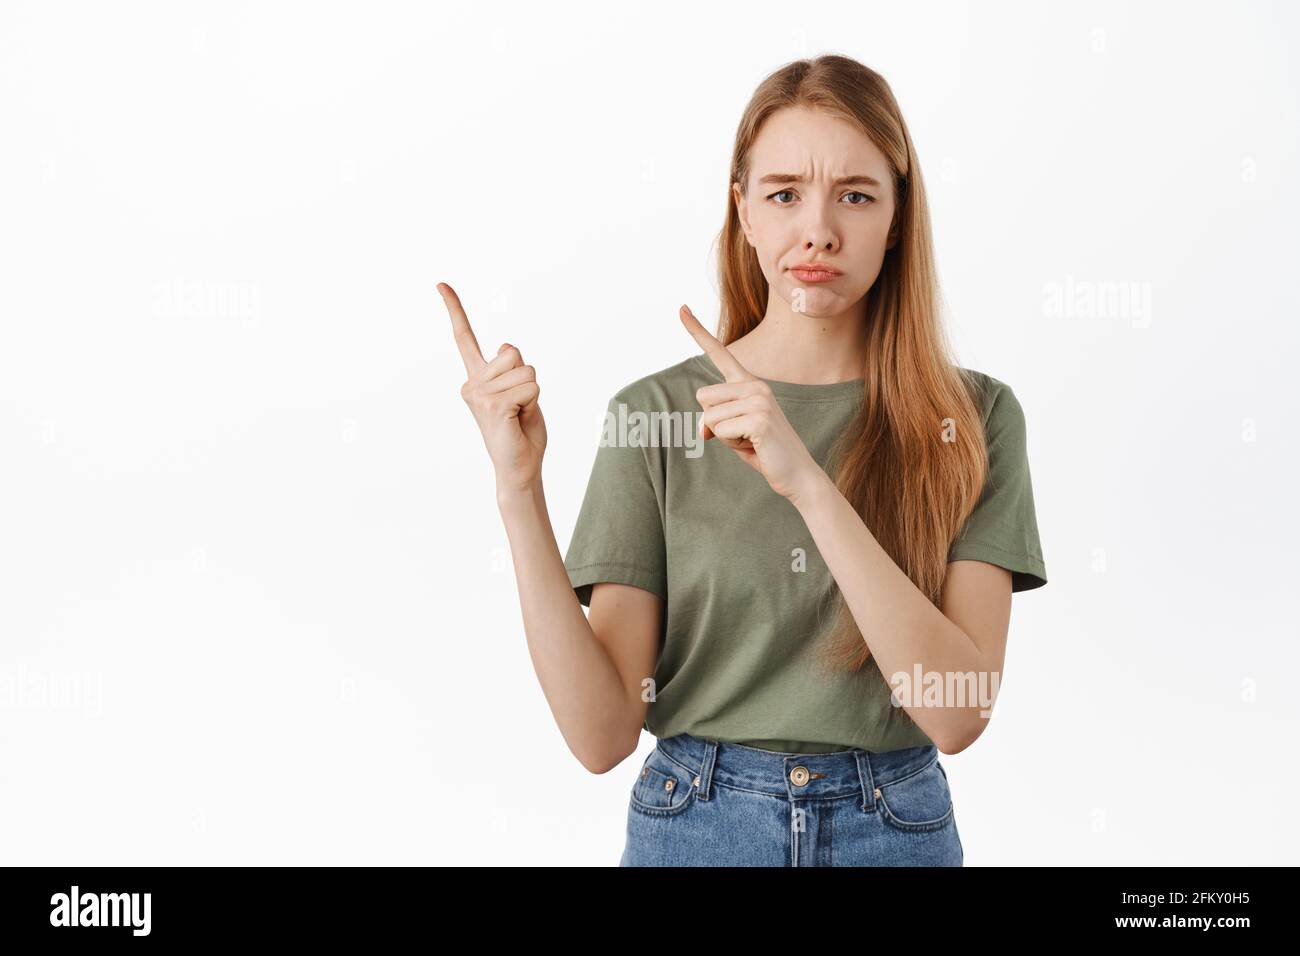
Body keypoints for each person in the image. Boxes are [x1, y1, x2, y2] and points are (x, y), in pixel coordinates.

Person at [440, 53, 1047, 867]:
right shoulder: (655, 416)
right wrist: (518, 491)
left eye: (856, 195)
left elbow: (958, 715)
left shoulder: (974, 419)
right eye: (784, 194)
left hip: (893, 829)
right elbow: (600, 734)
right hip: (697, 824)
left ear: (899, 216)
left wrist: (809, 486)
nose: (818, 230)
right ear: (744, 212)